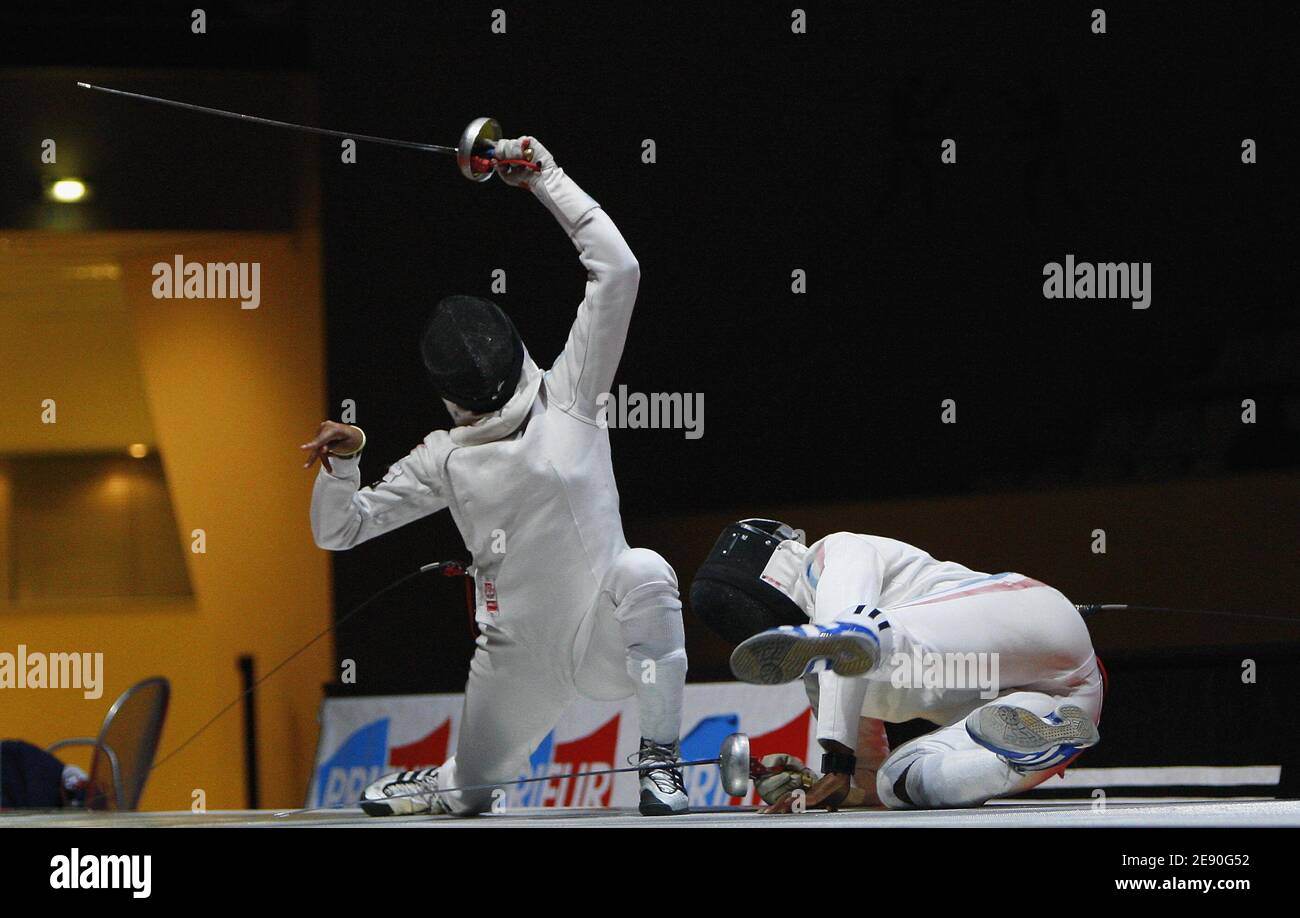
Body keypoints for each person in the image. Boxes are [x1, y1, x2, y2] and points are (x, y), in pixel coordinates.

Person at [302, 137, 688, 816]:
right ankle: (445, 782)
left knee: (646, 571)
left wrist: (549, 177)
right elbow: (341, 530)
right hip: (517, 666)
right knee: (471, 798)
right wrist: (346, 457)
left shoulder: (570, 391)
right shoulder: (445, 457)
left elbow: (619, 270)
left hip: (604, 638)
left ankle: (659, 764)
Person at [690, 519, 1101, 811]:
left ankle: (1030, 738)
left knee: (858, 631)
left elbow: (847, 628)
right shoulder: (822, 677)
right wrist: (825, 787)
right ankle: (1028, 751)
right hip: (1070, 705)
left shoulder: (837, 550)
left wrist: (835, 759)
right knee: (897, 782)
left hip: (1033, 619)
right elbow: (865, 779)